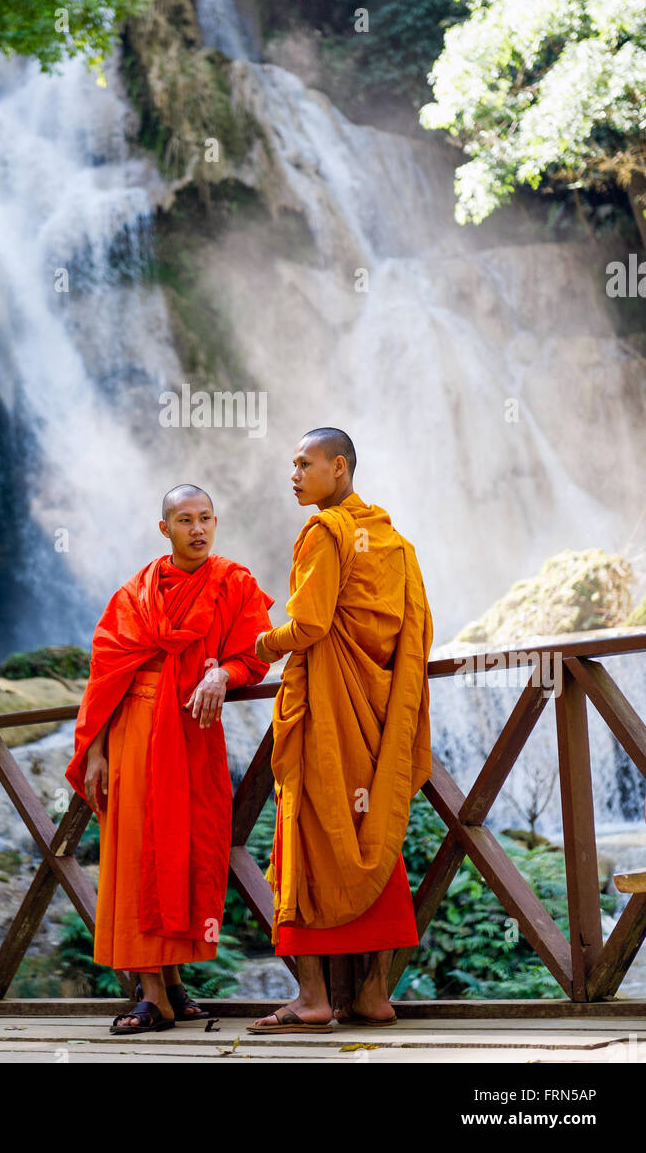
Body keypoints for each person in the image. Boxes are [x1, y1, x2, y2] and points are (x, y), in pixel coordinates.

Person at [65, 484, 274, 1033]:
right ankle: (152, 994)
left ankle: (175, 986)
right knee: (136, 856)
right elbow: (107, 675)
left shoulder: (233, 582)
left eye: (206, 518)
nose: (199, 529)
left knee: (183, 852)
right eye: (186, 520)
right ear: (165, 529)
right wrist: (97, 753)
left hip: (191, 735)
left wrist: (221, 672)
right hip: (133, 737)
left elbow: (256, 650)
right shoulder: (135, 594)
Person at [248, 428, 433, 1034]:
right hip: (377, 714)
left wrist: (261, 642)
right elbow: (412, 634)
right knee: (372, 831)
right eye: (292, 465)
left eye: (305, 464)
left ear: (340, 467)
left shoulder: (325, 533)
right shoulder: (393, 542)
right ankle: (375, 994)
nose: (293, 475)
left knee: (308, 835)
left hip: (327, 712)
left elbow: (309, 623)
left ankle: (313, 998)